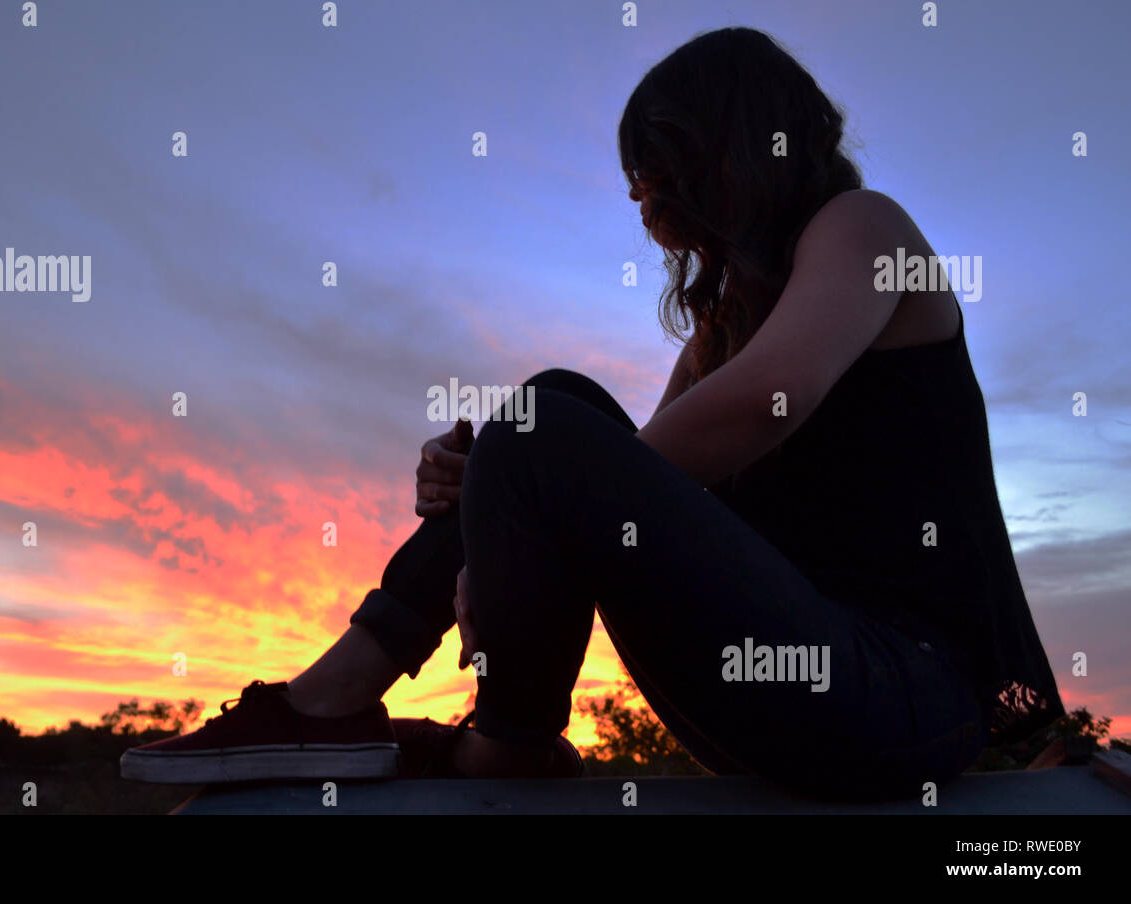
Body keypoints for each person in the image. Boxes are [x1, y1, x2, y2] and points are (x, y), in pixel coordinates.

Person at [121, 26, 1062, 800]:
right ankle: (404, 710)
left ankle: (399, 719)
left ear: (732, 145)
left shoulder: (863, 230)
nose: (640, 197)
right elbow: (637, 494)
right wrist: (499, 505)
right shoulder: (723, 328)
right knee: (551, 414)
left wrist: (524, 497)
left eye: (657, 167)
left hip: (895, 692)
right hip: (769, 689)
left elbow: (767, 406)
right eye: (636, 177)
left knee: (545, 427)